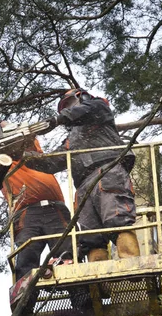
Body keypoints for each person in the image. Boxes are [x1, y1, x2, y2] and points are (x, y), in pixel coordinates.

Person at [0, 104, 73, 281]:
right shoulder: (0, 163)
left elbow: (12, 131)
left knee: (67, 252)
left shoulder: (33, 151)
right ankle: (26, 300)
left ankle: (81, 296)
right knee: (26, 255)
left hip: (55, 209)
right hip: (26, 213)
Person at [25, 88, 141, 263]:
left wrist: (58, 119)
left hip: (107, 172)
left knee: (118, 219)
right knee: (90, 237)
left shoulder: (99, 110)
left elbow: (85, 110)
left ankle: (132, 264)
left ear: (81, 97)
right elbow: (51, 162)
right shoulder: (72, 139)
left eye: (69, 105)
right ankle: (99, 284)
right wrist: (24, 156)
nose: (67, 111)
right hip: (83, 186)